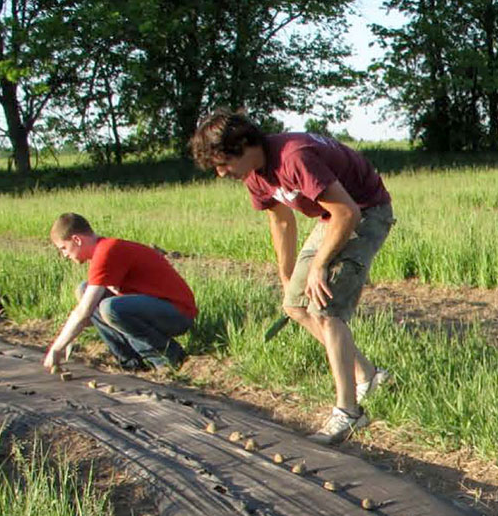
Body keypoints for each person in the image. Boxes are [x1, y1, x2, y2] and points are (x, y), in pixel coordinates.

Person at [189, 111, 393, 445]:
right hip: (332, 216)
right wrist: (287, 275)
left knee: (326, 307)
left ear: (242, 145)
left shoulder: (294, 157)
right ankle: (368, 375)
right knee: (295, 305)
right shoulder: (255, 176)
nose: (221, 172)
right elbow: (282, 221)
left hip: (366, 210)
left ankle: (349, 412)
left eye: (222, 162)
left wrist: (320, 266)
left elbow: (348, 212)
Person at [43, 213, 197, 373]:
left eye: (63, 248)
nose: (64, 255)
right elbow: (88, 310)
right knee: (85, 290)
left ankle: (169, 357)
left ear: (77, 240)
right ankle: (130, 361)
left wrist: (57, 348)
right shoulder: (103, 252)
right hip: (155, 307)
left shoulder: (107, 252)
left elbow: (84, 312)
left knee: (110, 308)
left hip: (178, 313)